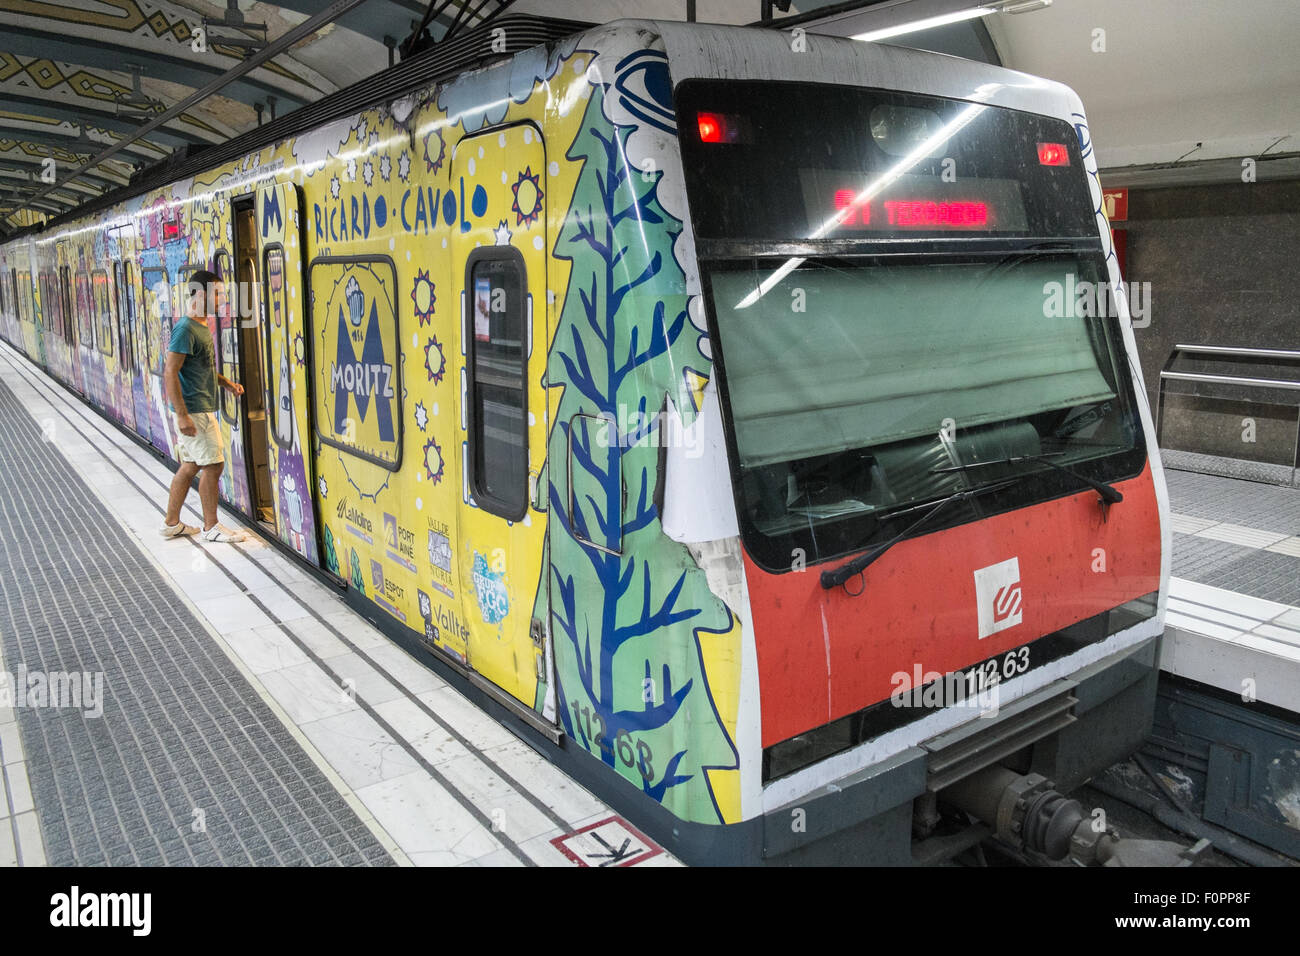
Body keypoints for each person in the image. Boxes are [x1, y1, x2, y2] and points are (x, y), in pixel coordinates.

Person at [159, 270, 247, 542]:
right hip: (195, 410)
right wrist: (183, 416)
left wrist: (226, 383)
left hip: (197, 407)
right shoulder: (186, 328)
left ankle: (172, 523)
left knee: (190, 465)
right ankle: (211, 527)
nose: (221, 300)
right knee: (214, 465)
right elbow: (170, 371)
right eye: (217, 294)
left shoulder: (200, 325)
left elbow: (201, 368)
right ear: (200, 294)